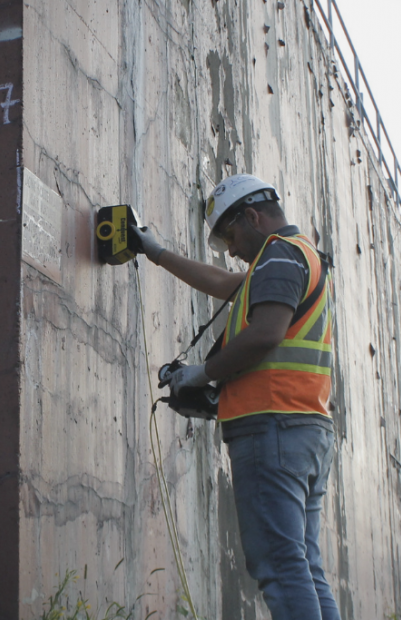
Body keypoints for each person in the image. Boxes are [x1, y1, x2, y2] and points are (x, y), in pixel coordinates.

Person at [132, 173, 340, 620]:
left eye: (230, 234)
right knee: (304, 565)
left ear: (252, 215)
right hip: (303, 429)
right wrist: (158, 253)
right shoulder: (298, 257)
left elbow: (265, 334)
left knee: (280, 566)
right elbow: (220, 281)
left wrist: (200, 374)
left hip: (273, 428)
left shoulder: (278, 256)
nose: (231, 249)